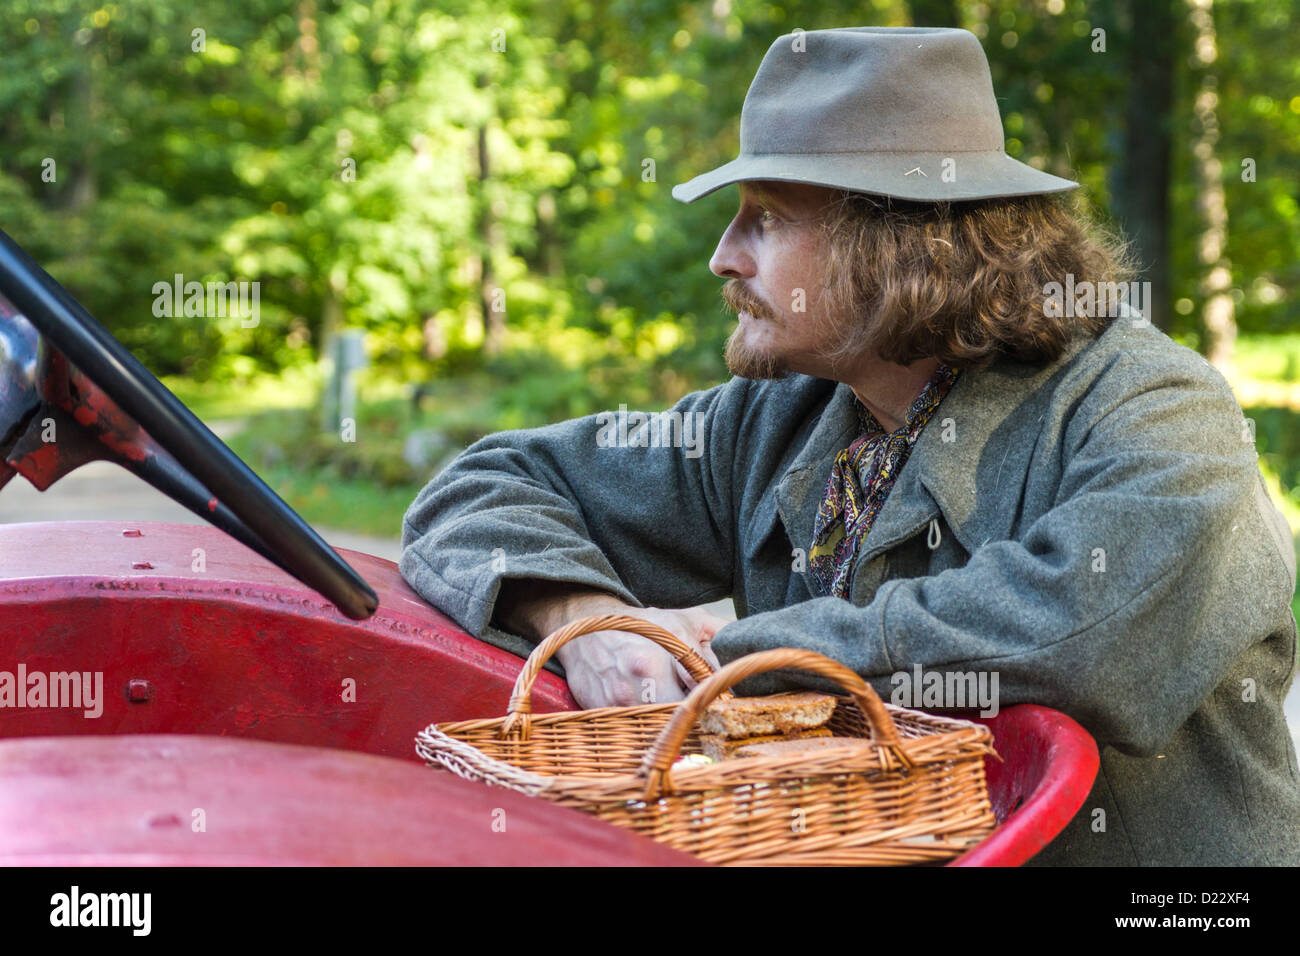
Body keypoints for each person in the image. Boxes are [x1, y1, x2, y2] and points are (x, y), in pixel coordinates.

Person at [400, 26, 1300, 865]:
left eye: (767, 217)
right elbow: (486, 485)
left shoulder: (1156, 409)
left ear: (902, 242)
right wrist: (585, 624)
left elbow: (1087, 638)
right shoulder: (780, 417)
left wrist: (732, 660)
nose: (723, 256)